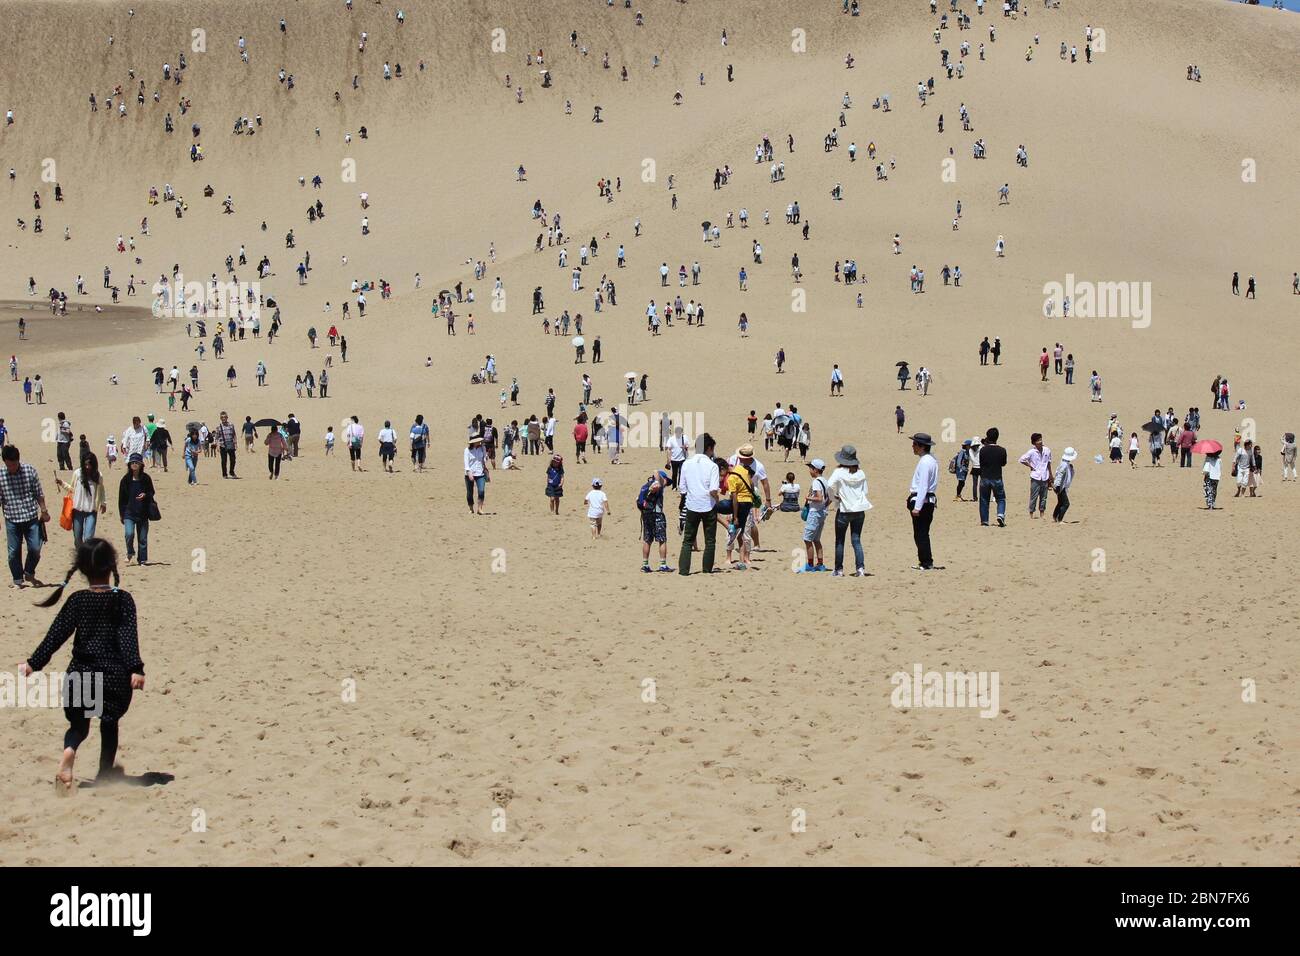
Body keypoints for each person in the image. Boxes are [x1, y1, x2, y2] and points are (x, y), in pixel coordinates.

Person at [20, 539, 145, 792]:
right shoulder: (123, 599)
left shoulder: (77, 600)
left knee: (78, 726)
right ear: (112, 566)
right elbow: (127, 637)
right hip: (113, 675)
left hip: (81, 673)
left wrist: (34, 663)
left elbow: (56, 635)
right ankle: (105, 775)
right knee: (109, 723)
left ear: (82, 569)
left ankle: (69, 751)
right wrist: (136, 668)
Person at [1, 445, 50, 587]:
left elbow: (38, 493)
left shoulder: (29, 471)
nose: (12, 467)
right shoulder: (1, 475)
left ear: (18, 460)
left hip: (31, 517)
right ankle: (17, 580)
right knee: (13, 551)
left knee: (35, 547)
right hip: (11, 518)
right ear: (4, 462)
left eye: (14, 464)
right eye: (8, 465)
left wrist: (44, 510)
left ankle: (29, 571)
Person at [677, 434, 720, 574]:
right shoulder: (713, 466)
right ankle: (707, 570)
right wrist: (717, 499)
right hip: (708, 505)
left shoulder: (686, 463)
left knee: (687, 541)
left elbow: (682, 488)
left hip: (692, 505)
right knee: (710, 541)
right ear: (709, 448)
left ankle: (684, 570)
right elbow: (713, 489)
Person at [827, 444, 870, 577]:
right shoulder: (861, 473)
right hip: (859, 510)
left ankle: (839, 570)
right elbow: (865, 491)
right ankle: (860, 569)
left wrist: (834, 498)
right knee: (856, 540)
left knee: (840, 541)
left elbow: (829, 486)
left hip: (844, 510)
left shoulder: (838, 472)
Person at [55, 453, 106, 549]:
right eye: (86, 464)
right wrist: (62, 483)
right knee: (77, 538)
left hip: (91, 511)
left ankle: (86, 559)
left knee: (88, 538)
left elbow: (102, 490)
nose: (88, 467)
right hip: (77, 510)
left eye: (90, 464)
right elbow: (72, 488)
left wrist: (103, 503)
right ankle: (81, 556)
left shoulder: (98, 475)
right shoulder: (77, 473)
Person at [908, 433, 940, 570]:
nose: (913, 447)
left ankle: (926, 562)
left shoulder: (926, 461)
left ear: (921, 446)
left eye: (915, 444)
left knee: (920, 534)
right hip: (928, 500)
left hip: (923, 501)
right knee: (922, 533)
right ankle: (925, 561)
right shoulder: (931, 459)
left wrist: (917, 506)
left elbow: (923, 486)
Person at [117, 454, 156, 564]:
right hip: (129, 513)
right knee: (129, 534)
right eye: (132, 462)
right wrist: (122, 514)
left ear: (141, 465)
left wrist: (145, 495)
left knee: (142, 538)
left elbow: (151, 492)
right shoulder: (125, 480)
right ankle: (130, 552)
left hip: (143, 512)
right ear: (129, 465)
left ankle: (142, 559)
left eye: (136, 463)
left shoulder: (146, 478)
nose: (134, 464)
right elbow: (121, 499)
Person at [978, 427, 1008, 526]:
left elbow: (981, 463)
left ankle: (984, 520)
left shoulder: (983, 450)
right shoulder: (1002, 450)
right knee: (1001, 499)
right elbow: (1003, 463)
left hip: (985, 477)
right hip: (997, 477)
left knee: (984, 500)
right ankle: (1000, 514)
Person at [1019, 433, 1052, 518]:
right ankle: (1031, 513)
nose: (1040, 442)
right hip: (1035, 476)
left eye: (1041, 439)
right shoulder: (1031, 452)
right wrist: (1030, 466)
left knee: (1044, 497)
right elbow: (1022, 459)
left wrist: (1051, 476)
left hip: (1045, 476)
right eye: (1038, 440)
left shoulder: (1047, 450)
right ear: (1034, 442)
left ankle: (1042, 513)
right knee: (1034, 496)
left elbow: (1048, 463)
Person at [464, 436, 489, 514]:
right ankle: (471, 508)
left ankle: (480, 508)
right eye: (478, 441)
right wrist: (469, 472)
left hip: (480, 472)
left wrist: (486, 456)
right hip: (470, 473)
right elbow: (466, 463)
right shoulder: (467, 450)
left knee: (481, 491)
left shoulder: (482, 448)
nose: (479, 442)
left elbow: (484, 459)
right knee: (469, 493)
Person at [1052, 447, 1077, 522]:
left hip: (1061, 486)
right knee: (1066, 504)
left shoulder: (1065, 464)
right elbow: (1059, 475)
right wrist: (1058, 486)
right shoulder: (1064, 465)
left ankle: (1055, 516)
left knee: (1060, 502)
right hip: (1060, 487)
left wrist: (1071, 469)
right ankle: (1060, 519)